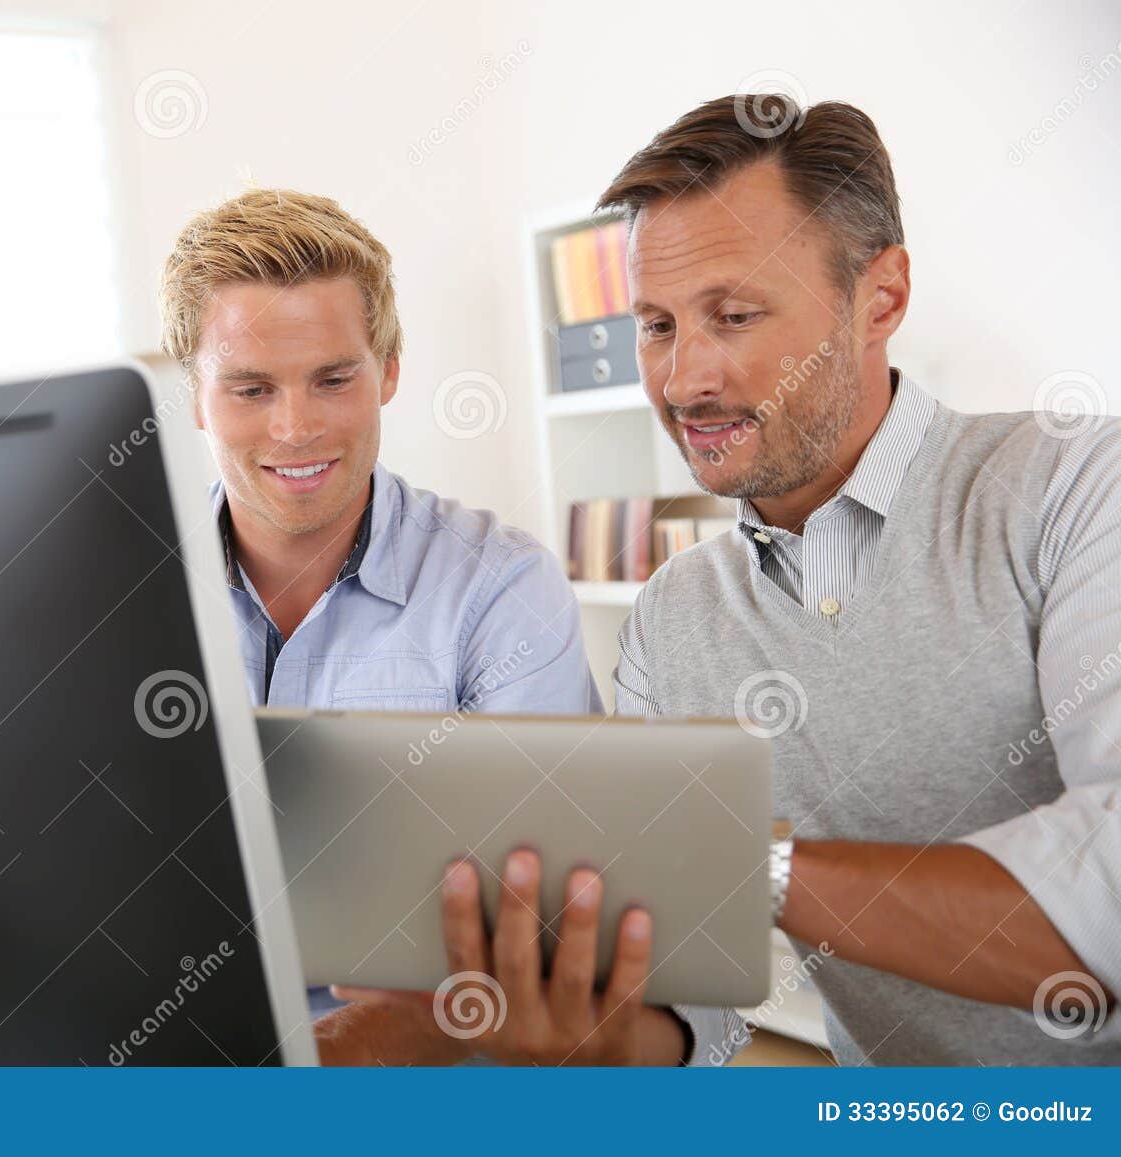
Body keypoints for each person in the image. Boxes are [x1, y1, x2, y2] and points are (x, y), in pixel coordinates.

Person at [341, 94, 1120, 1066]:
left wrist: (747, 861)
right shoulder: (676, 615)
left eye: (734, 315)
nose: (682, 378)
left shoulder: (1074, 484)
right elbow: (695, 1011)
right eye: (658, 324)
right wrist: (588, 1030)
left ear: (880, 297)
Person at [157, 188, 608, 1060]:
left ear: (389, 368)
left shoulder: (499, 589)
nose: (295, 428)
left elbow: (544, 915)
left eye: (333, 378)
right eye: (251, 388)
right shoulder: (124, 591)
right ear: (198, 398)